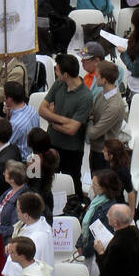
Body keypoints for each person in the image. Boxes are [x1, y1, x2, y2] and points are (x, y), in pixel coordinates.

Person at [38, 54, 93, 197]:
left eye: (57, 70)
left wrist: (53, 122)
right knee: (48, 180)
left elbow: (72, 130)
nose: (55, 73)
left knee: (73, 183)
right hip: (52, 143)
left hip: (72, 149)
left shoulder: (85, 97)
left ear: (66, 74)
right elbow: (41, 109)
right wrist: (64, 120)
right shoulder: (59, 84)